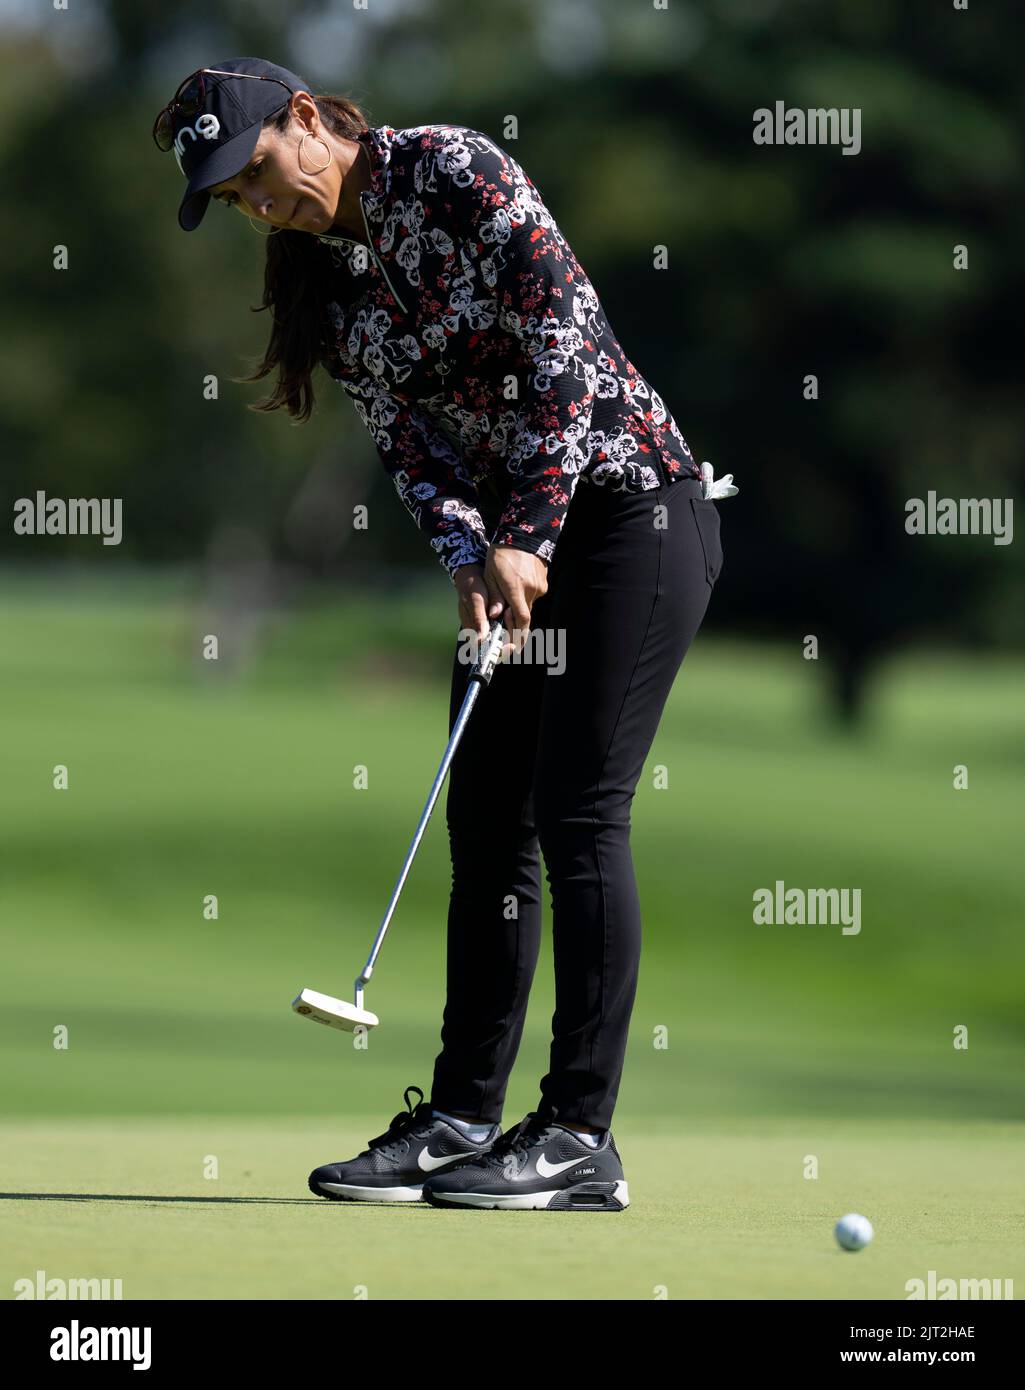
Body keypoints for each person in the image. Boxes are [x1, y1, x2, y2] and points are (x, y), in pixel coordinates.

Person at [154, 56, 736, 1213]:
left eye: (258, 172)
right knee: (486, 820)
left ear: (306, 118)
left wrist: (525, 532)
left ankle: (577, 1135)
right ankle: (463, 1118)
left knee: (578, 807)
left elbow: (563, 343)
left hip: (632, 515)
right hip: (514, 549)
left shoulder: (452, 169)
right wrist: (469, 555)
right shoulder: (327, 281)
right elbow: (408, 445)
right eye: (235, 198)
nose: (259, 205)